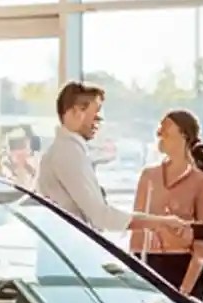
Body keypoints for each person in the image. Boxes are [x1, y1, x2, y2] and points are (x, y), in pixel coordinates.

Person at [35, 80, 190, 240]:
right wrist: (161, 223)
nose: (99, 121)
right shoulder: (68, 153)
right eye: (96, 114)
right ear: (76, 112)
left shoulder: (64, 151)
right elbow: (101, 216)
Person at [131, 110, 203, 299]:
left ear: (184, 134)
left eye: (166, 126)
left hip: (184, 270)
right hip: (149, 266)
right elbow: (136, 231)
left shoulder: (202, 182)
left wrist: (184, 291)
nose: (159, 132)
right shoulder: (148, 176)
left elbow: (202, 246)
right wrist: (135, 278)